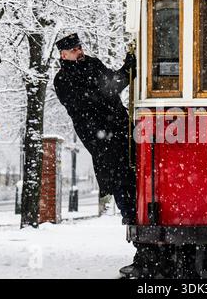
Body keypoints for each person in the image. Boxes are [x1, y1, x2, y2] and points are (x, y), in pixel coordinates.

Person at [54, 33, 145, 277]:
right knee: (123, 188)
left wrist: (127, 68)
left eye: (79, 46)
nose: (79, 51)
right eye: (74, 49)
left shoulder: (92, 64)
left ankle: (148, 249)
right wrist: (121, 77)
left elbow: (112, 85)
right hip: (102, 142)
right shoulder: (62, 80)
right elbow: (100, 95)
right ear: (63, 55)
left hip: (121, 130)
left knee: (139, 183)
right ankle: (142, 251)